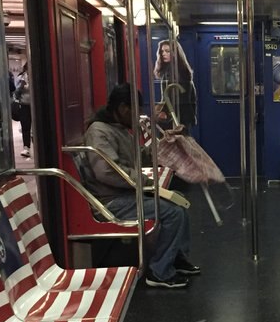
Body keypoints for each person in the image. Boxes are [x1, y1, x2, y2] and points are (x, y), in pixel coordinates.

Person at [84, 84, 199, 289]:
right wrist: (144, 182)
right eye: (135, 112)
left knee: (179, 198)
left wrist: (166, 142)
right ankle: (159, 272)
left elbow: (140, 156)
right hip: (111, 201)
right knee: (173, 213)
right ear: (122, 108)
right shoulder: (99, 132)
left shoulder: (119, 130)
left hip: (126, 193)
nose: (137, 118)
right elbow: (107, 171)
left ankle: (175, 258)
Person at [153, 39, 197, 127]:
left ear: (175, 53)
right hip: (179, 115)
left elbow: (180, 98)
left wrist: (165, 111)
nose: (163, 54)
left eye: (167, 51)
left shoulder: (178, 71)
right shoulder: (170, 70)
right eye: (162, 51)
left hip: (178, 117)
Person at [13, 64, 32, 158]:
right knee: (26, 126)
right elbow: (16, 93)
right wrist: (21, 85)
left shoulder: (36, 76)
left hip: (36, 106)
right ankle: (26, 147)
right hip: (24, 105)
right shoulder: (21, 78)